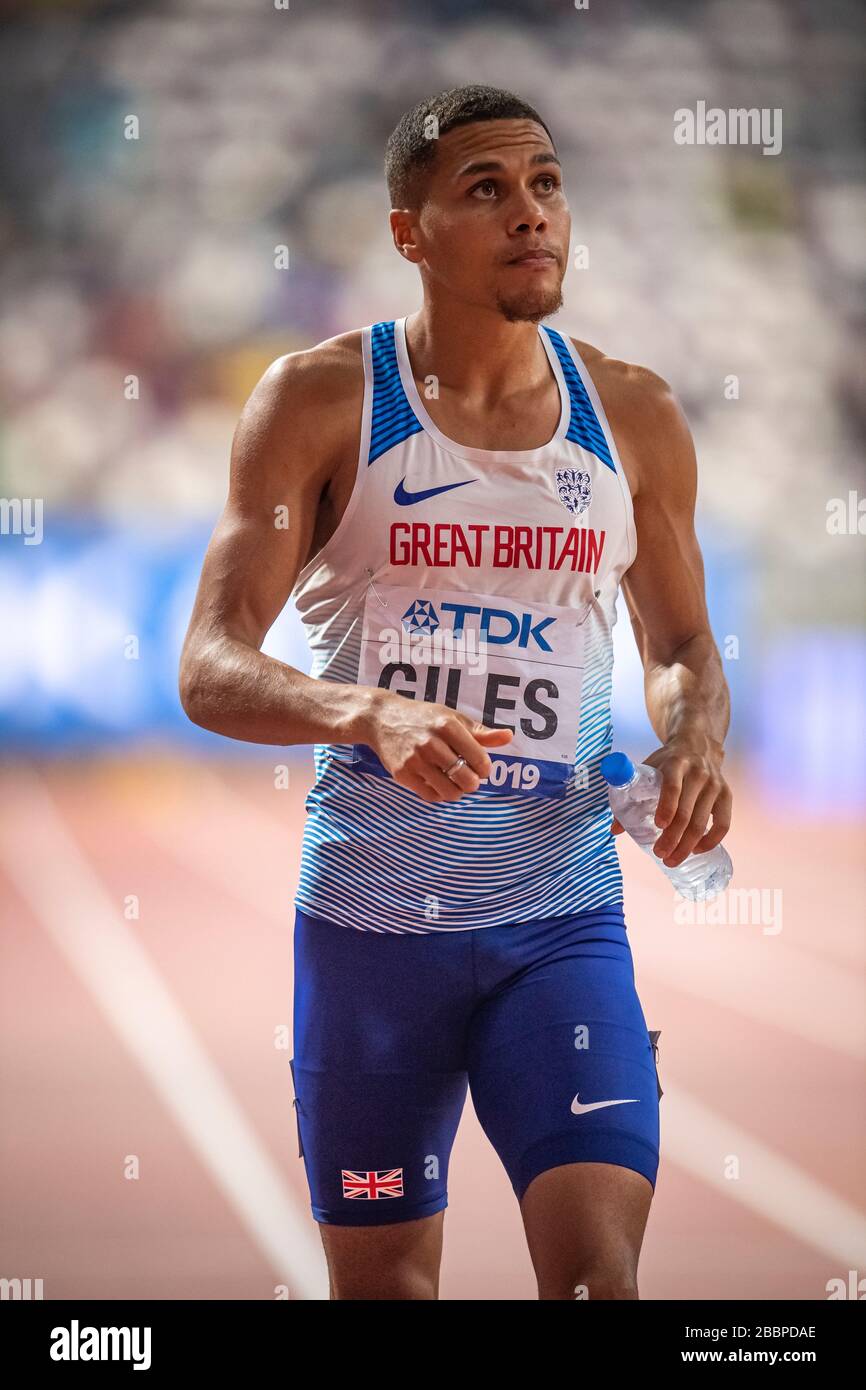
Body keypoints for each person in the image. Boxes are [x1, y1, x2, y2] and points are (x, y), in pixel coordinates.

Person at [178, 84, 732, 1301]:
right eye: (486, 189)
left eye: (543, 183)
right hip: (372, 930)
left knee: (597, 1281)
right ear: (408, 233)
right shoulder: (321, 400)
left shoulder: (629, 415)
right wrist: (364, 711)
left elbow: (683, 639)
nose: (531, 214)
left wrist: (692, 735)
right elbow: (209, 664)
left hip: (559, 920)